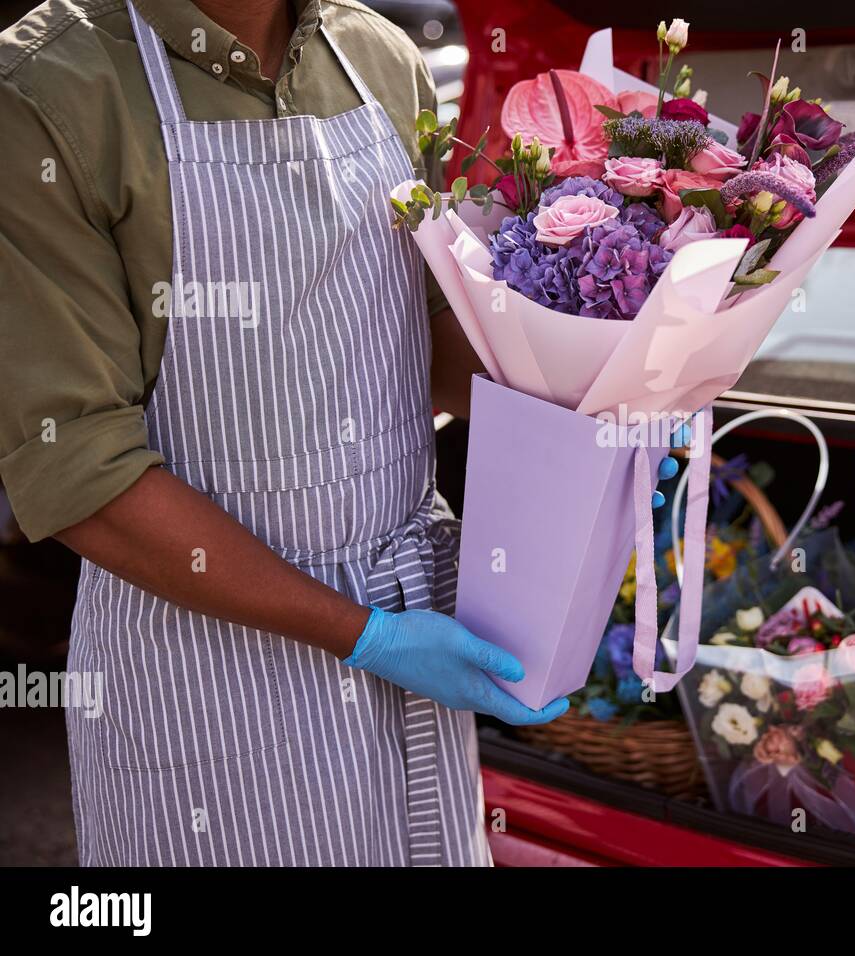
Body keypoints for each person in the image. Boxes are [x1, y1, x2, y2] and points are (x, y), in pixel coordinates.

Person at [0, 0, 681, 866]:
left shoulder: (378, 56)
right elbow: (84, 477)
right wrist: (369, 637)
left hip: (416, 643)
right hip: (207, 683)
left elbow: (428, 328)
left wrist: (590, 419)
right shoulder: (43, 95)